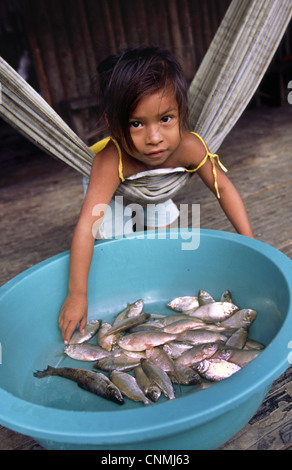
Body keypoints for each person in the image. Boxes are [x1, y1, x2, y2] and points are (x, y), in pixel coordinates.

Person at [58, 46, 253, 344]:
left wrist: (249, 243)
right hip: (114, 194)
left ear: (181, 114)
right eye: (136, 123)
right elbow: (87, 226)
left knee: (161, 244)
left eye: (166, 119)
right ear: (114, 124)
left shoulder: (188, 147)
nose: (154, 138)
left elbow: (223, 187)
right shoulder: (110, 160)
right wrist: (77, 294)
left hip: (159, 187)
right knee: (118, 247)